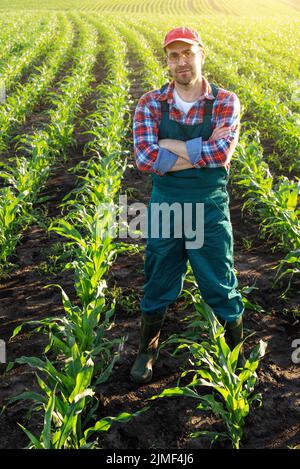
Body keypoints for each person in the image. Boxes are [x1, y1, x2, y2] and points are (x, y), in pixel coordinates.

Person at [130, 26, 245, 384]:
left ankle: (236, 359)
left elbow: (222, 152)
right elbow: (146, 159)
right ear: (167, 61)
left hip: (209, 208)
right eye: (174, 55)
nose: (182, 61)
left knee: (218, 283)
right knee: (159, 278)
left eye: (188, 53)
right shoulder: (150, 103)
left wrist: (173, 145)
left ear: (201, 54)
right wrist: (200, 150)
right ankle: (147, 350)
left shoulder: (225, 101)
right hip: (167, 208)